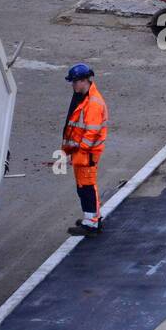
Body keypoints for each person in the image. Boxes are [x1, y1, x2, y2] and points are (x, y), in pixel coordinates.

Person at [62, 63, 108, 236]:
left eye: (74, 82)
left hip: (87, 152)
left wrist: (80, 148)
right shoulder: (85, 98)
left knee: (87, 187)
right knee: (84, 186)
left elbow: (92, 131)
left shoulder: (93, 103)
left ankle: (91, 224)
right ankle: (92, 218)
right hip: (83, 151)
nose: (73, 85)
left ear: (83, 81)